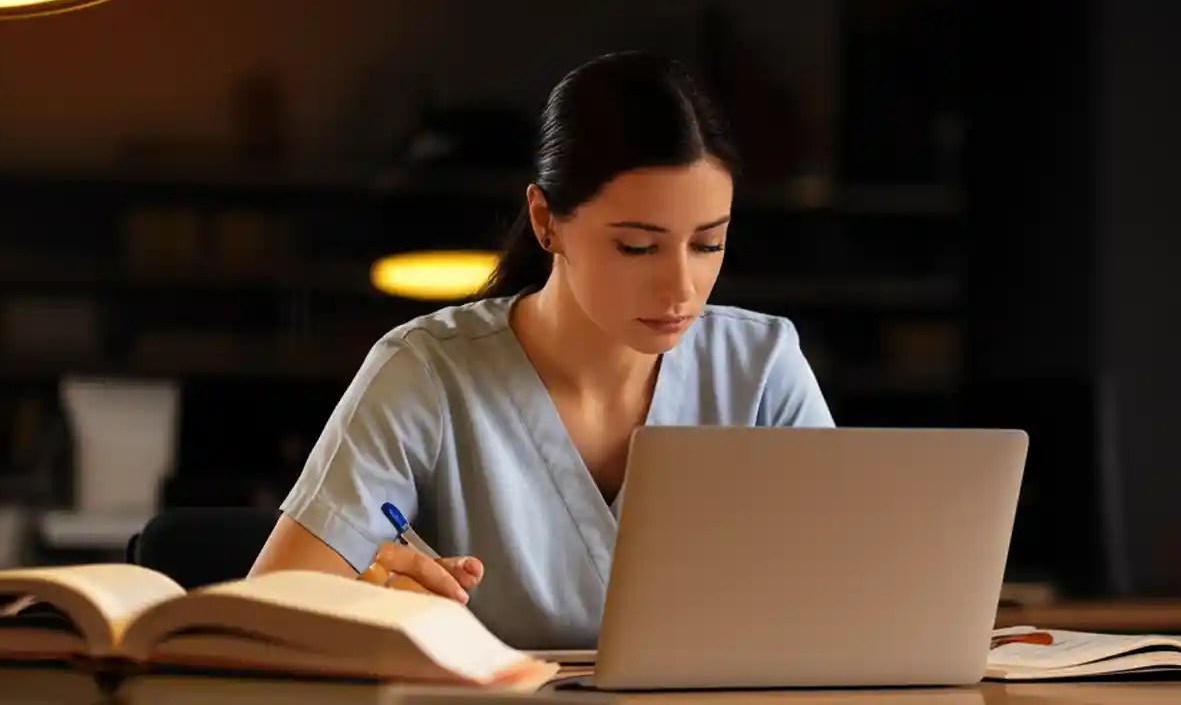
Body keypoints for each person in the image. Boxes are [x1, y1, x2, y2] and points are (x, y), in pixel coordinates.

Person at [249, 51, 835, 649]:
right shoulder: (426, 372)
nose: (682, 288)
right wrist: (362, 604)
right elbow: (266, 620)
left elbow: (849, 603)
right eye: (637, 247)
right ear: (545, 220)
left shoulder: (762, 369)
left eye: (708, 244)